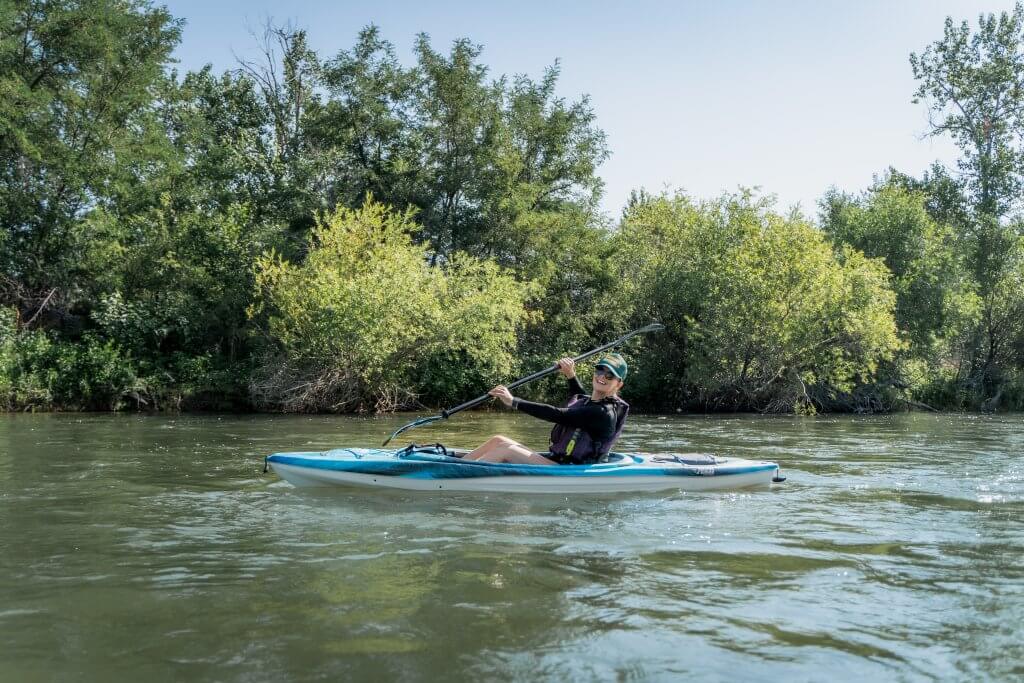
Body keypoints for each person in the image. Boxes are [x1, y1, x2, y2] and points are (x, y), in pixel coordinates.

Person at [464, 353, 630, 465]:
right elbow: (580, 397)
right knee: (498, 440)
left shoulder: (604, 412)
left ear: (619, 383)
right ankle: (456, 465)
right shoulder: (592, 404)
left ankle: (459, 475)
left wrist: (513, 401)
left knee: (504, 450)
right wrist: (570, 375)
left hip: (569, 469)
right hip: (558, 460)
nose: (602, 376)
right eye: (600, 370)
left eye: (610, 375)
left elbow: (557, 414)